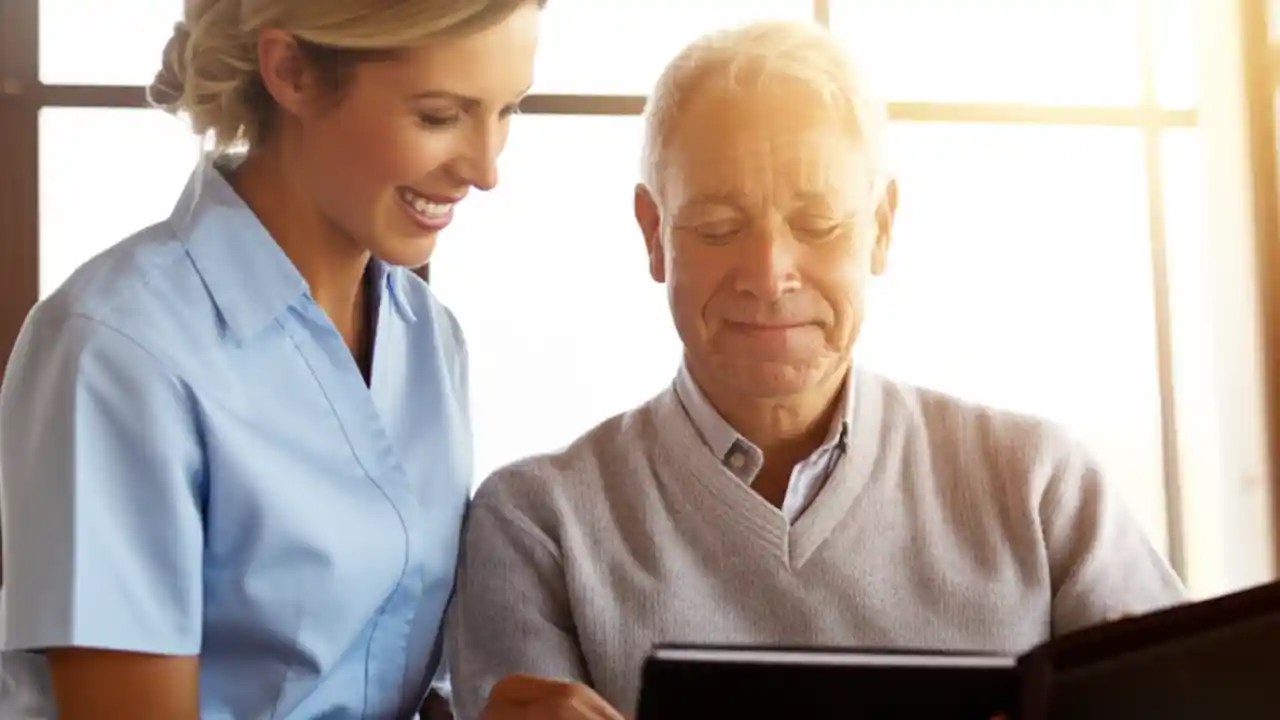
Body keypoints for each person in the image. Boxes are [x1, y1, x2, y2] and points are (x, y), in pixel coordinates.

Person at [445, 19, 1187, 720]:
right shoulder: (537, 521)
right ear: (654, 233)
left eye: (819, 224)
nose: (769, 275)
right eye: (719, 227)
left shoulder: (1040, 485)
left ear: (881, 230)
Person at [0, 1, 545, 717]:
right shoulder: (115, 349)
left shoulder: (427, 337)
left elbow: (375, 665)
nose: (485, 168)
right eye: (440, 116)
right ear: (290, 71)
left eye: (507, 112)